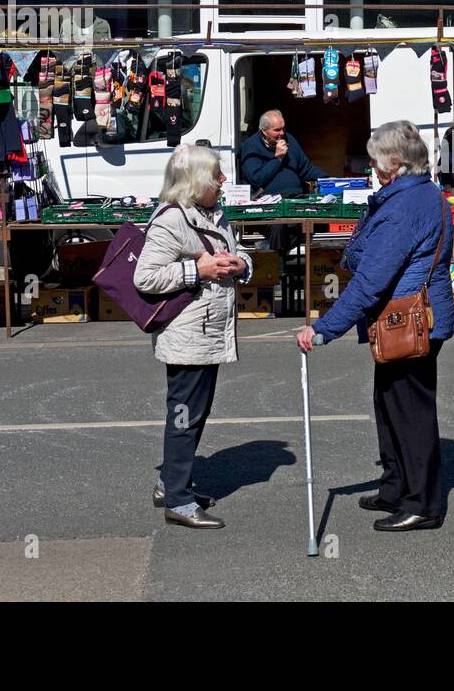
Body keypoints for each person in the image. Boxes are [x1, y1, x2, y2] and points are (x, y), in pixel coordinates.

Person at [297, 121, 453, 532]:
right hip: (410, 318)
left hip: (408, 320)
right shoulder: (420, 195)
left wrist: (324, 328)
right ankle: (396, 487)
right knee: (389, 405)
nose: (371, 167)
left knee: (410, 414)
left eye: (375, 160)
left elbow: (370, 281)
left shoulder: (403, 207)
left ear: (396, 165)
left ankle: (423, 502)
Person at [134, 144, 254, 529]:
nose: (222, 181)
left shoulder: (212, 213)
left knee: (195, 415)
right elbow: (146, 278)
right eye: (216, 175)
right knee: (184, 417)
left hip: (209, 332)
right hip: (187, 335)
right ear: (194, 180)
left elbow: (236, 252)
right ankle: (179, 501)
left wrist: (242, 264)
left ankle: (171, 482)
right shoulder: (171, 220)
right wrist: (196, 271)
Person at [239, 109, 327, 197]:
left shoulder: (289, 139)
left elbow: (305, 168)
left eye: (283, 128)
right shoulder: (251, 146)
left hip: (295, 197)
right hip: (269, 201)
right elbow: (256, 179)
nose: (282, 133)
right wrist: (278, 158)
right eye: (277, 130)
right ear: (264, 131)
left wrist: (327, 179)